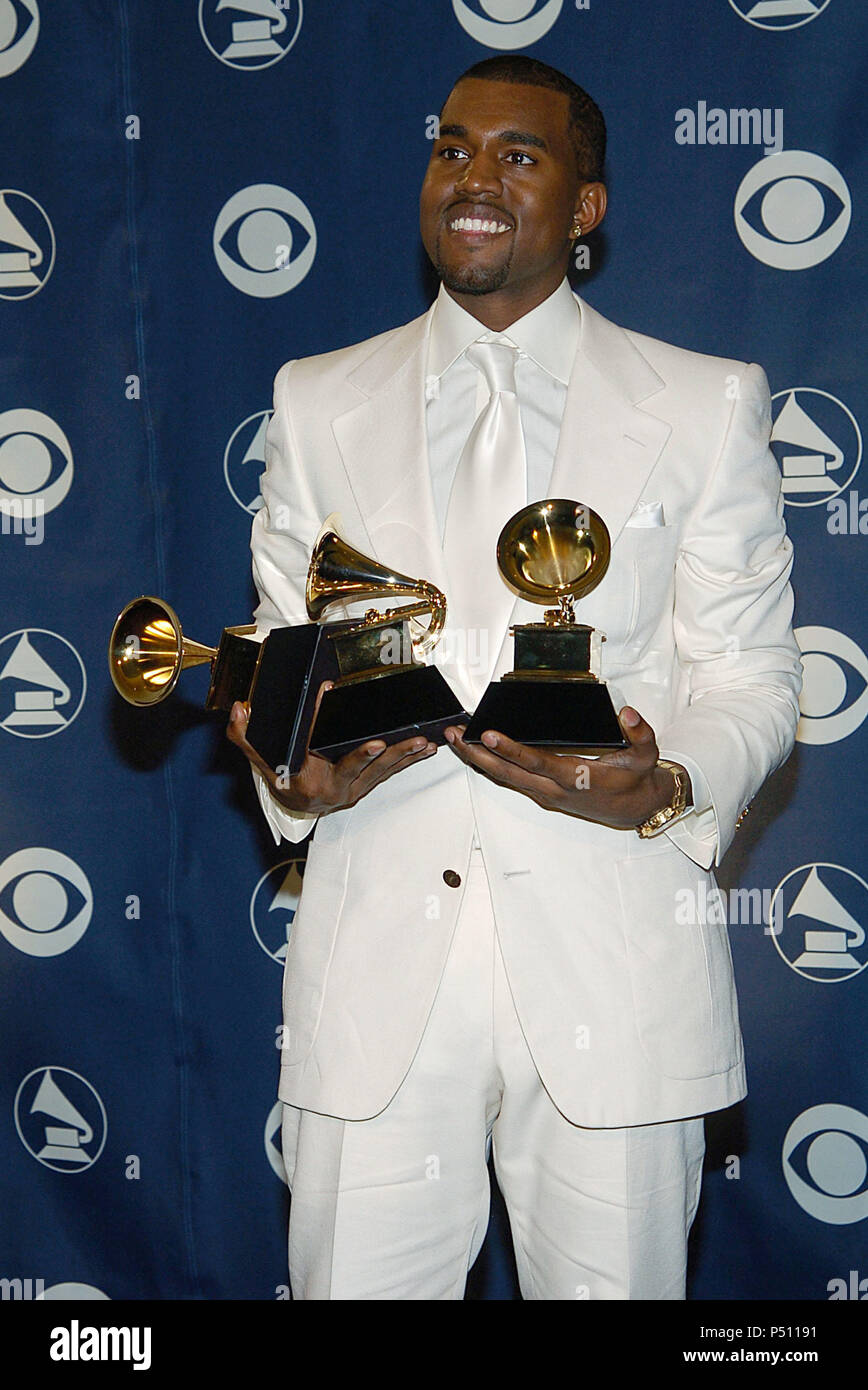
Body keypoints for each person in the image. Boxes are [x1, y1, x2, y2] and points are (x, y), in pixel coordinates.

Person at [227, 55, 802, 1300]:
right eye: (450, 150)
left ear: (585, 209)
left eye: (516, 156)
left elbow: (755, 676)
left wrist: (663, 783)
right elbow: (288, 664)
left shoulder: (704, 404)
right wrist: (297, 771)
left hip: (615, 968)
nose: (472, 179)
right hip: (377, 983)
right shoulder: (315, 401)